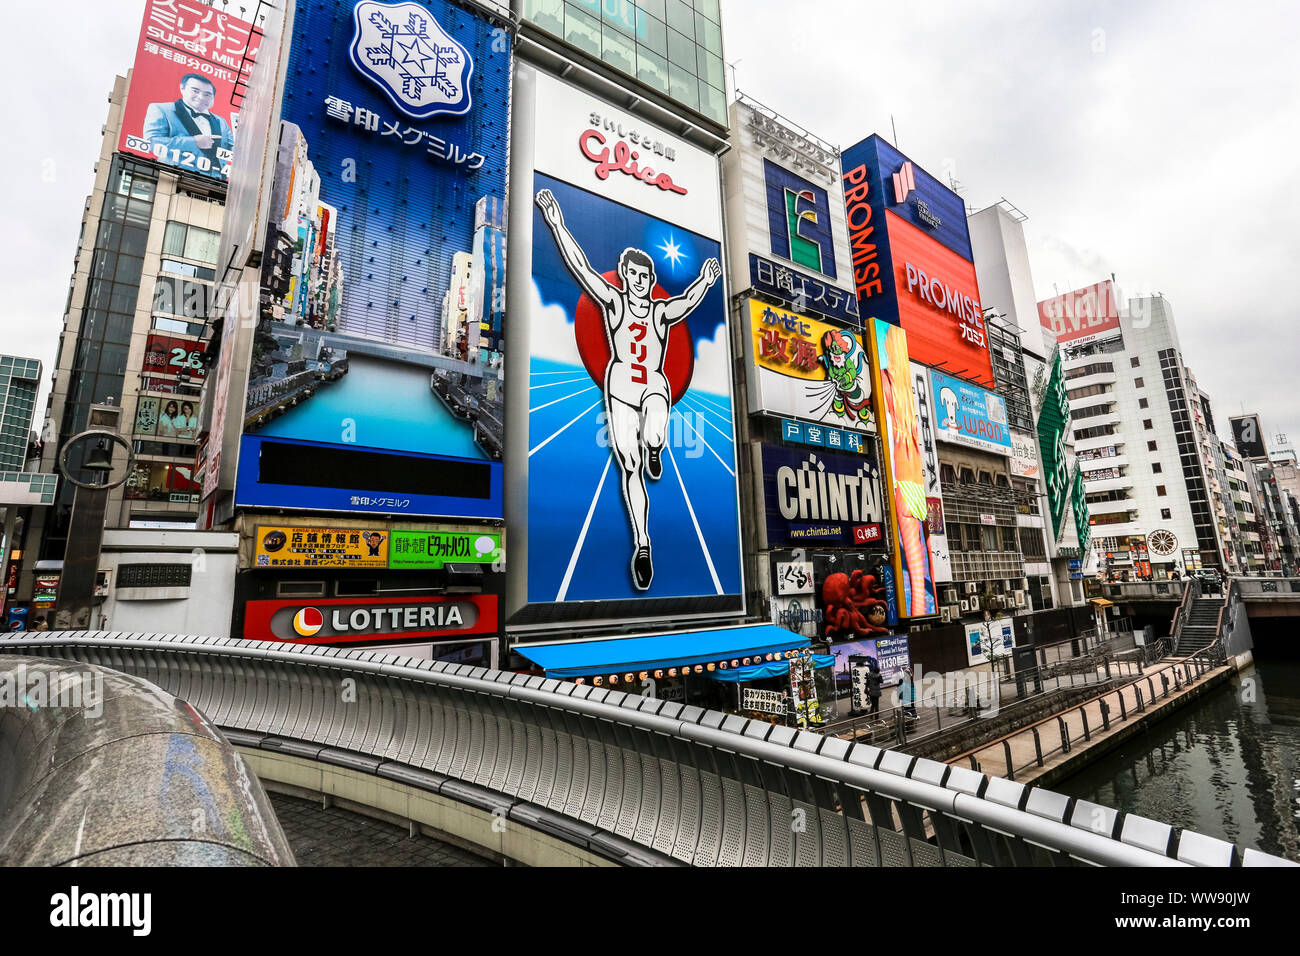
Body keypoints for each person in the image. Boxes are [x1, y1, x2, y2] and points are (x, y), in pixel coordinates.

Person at [535, 188, 721, 591]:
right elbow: (581, 268)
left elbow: (686, 301)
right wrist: (556, 223)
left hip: (652, 383)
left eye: (644, 277)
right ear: (625, 277)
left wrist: (705, 282)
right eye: (632, 275)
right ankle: (642, 543)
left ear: (651, 280)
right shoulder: (615, 304)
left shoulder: (659, 312)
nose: (637, 282)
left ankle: (657, 445)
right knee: (630, 468)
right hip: (620, 387)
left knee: (656, 412)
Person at [142, 74, 235, 172]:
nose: (201, 97)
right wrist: (194, 142)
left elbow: (233, 150)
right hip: (174, 174)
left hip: (216, 182)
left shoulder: (221, 121)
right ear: (182, 89)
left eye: (207, 94)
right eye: (195, 91)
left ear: (213, 98)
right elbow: (151, 142)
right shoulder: (162, 109)